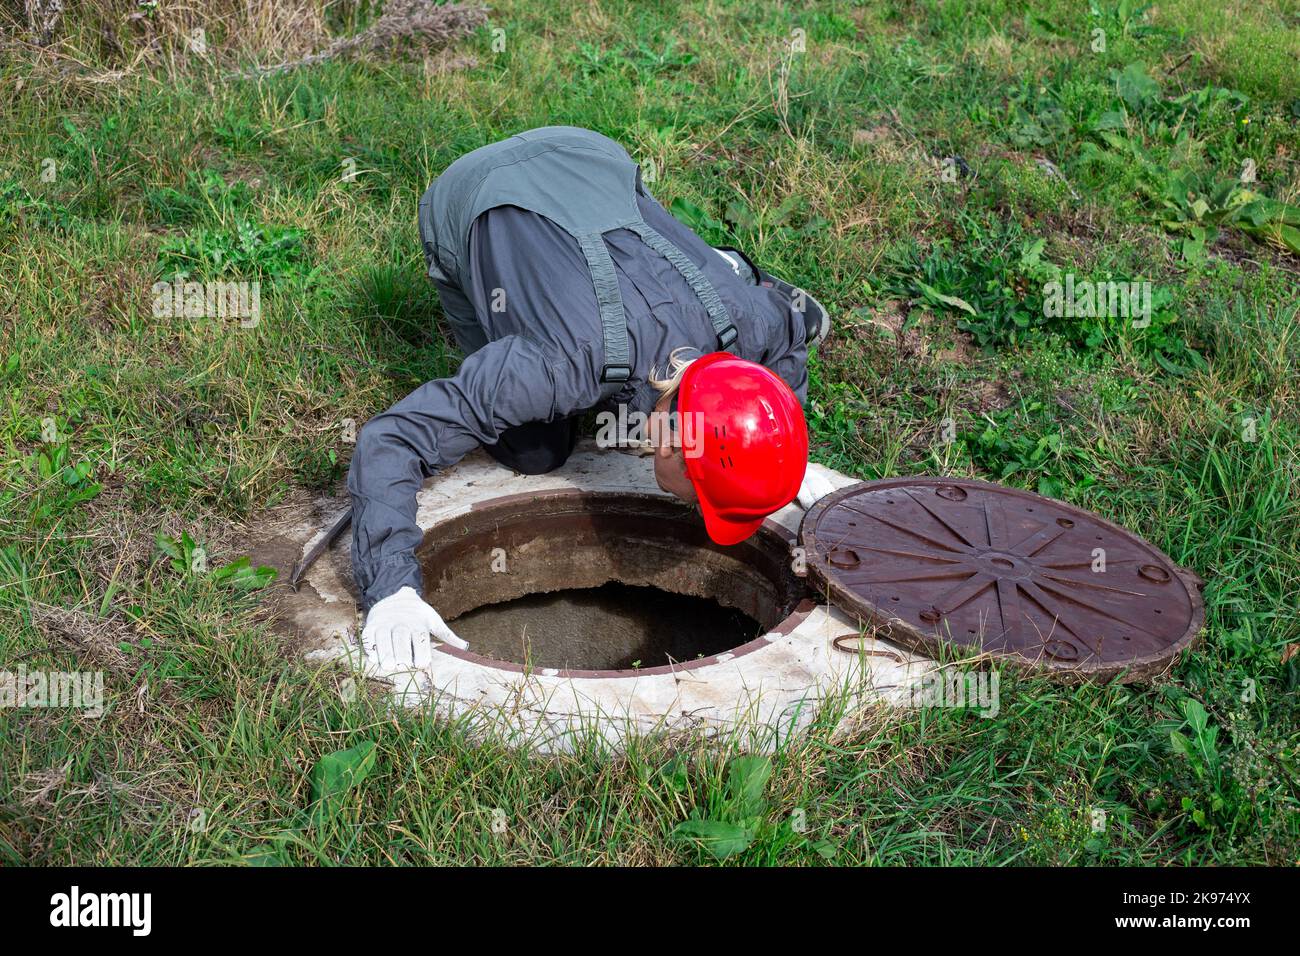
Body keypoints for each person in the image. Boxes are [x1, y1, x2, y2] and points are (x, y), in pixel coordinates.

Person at [349, 126, 836, 672]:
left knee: (603, 410)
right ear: (676, 446)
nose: (698, 514)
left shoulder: (746, 321)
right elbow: (392, 439)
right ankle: (710, 270)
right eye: (701, 499)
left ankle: (725, 269)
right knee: (533, 452)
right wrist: (391, 589)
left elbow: (793, 331)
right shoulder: (555, 368)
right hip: (476, 193)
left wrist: (784, 456)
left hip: (593, 157)